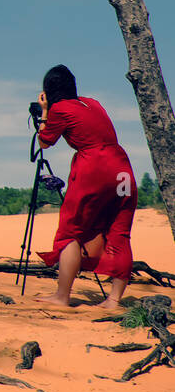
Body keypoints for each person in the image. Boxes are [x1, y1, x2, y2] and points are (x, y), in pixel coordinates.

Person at [33, 64, 137, 308]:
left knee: (71, 231)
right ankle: (113, 299)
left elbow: (46, 141)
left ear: (49, 89)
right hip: (122, 167)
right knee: (119, 230)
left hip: (94, 168)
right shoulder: (92, 102)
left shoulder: (59, 108)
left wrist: (45, 111)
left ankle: (62, 296)